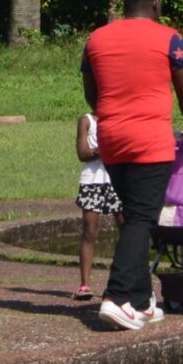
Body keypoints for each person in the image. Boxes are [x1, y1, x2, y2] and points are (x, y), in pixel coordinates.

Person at [83, 0, 183, 332]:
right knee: (141, 219)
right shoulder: (169, 38)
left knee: (134, 215)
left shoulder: (96, 39)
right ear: (155, 4)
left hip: (111, 139)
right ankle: (117, 297)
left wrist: (114, 113)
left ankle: (141, 301)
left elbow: (92, 93)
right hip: (150, 139)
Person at [73, 110, 121, 300]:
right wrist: (102, 151)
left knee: (126, 230)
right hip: (92, 180)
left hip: (116, 178)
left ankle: (119, 282)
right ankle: (84, 285)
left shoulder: (118, 117)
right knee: (89, 231)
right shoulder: (86, 120)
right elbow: (82, 153)